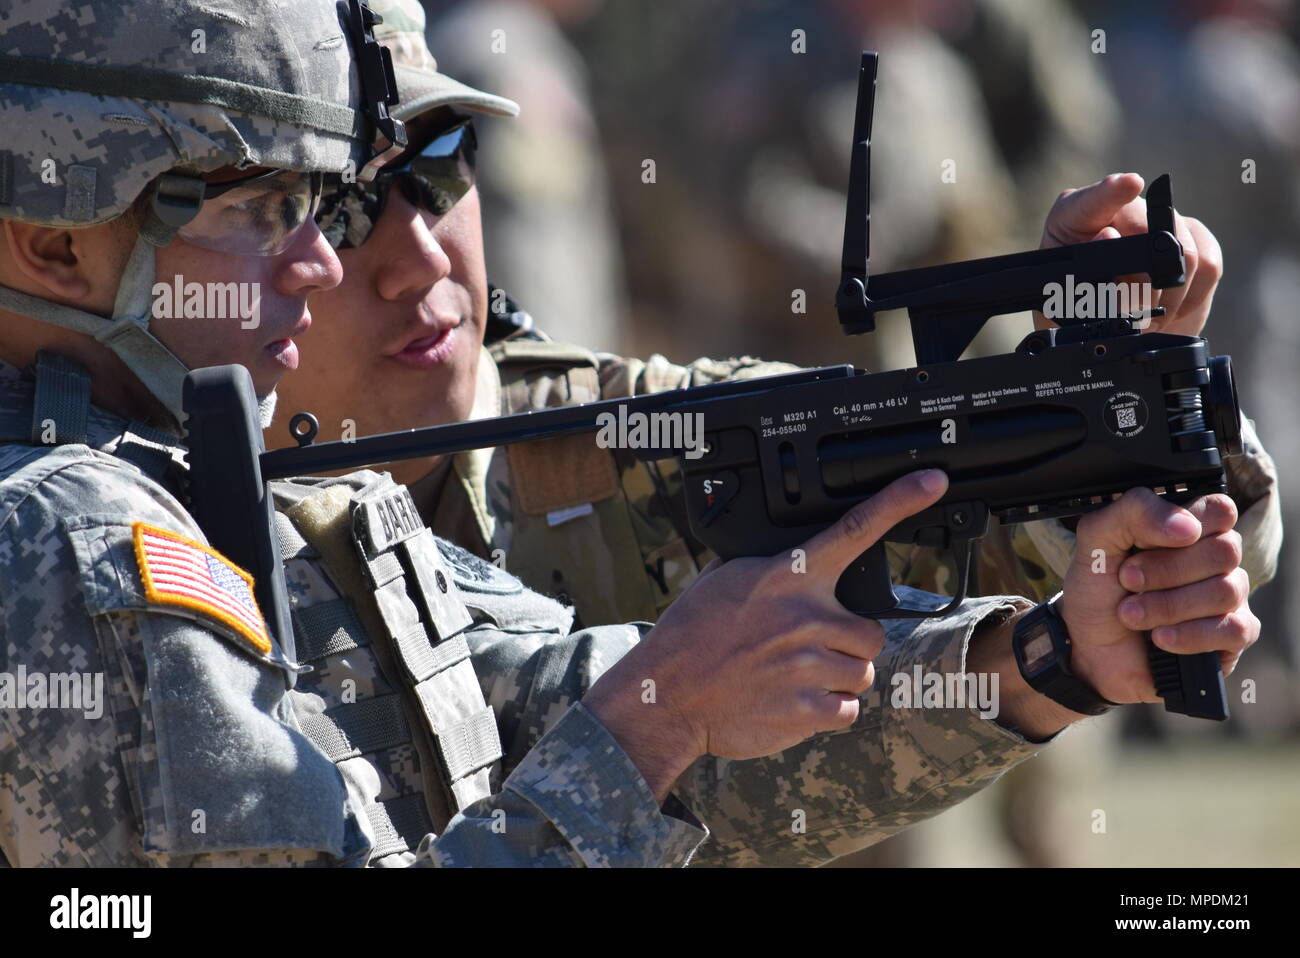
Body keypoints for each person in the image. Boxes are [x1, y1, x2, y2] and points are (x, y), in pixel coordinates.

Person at [0, 0, 1259, 868]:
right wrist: (652, 726)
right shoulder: (78, 534)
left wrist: (1047, 654)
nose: (359, 256)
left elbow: (571, 706)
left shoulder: (273, 491)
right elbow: (629, 729)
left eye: (435, 166)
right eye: (274, 205)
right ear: (52, 241)